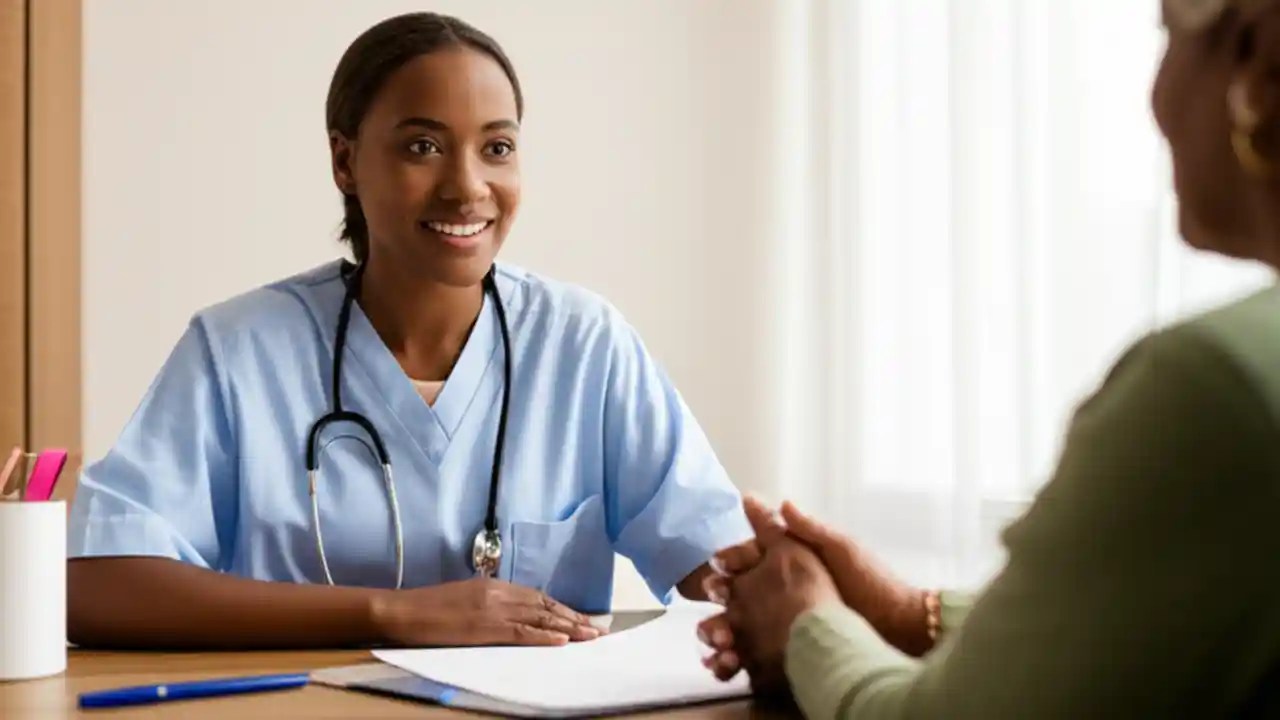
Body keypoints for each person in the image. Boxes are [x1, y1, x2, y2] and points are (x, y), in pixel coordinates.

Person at [66, 12, 751, 650]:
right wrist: (393, 614)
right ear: (345, 162)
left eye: (497, 147)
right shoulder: (239, 351)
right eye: (423, 146)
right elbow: (92, 585)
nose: (467, 186)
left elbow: (721, 567)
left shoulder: (584, 345)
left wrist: (801, 589)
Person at [699, 0, 1280, 716]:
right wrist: (912, 612)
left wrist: (806, 627)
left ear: (1254, 65)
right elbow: (1124, 626)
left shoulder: (1213, 391)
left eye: (1167, 35)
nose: (1157, 95)